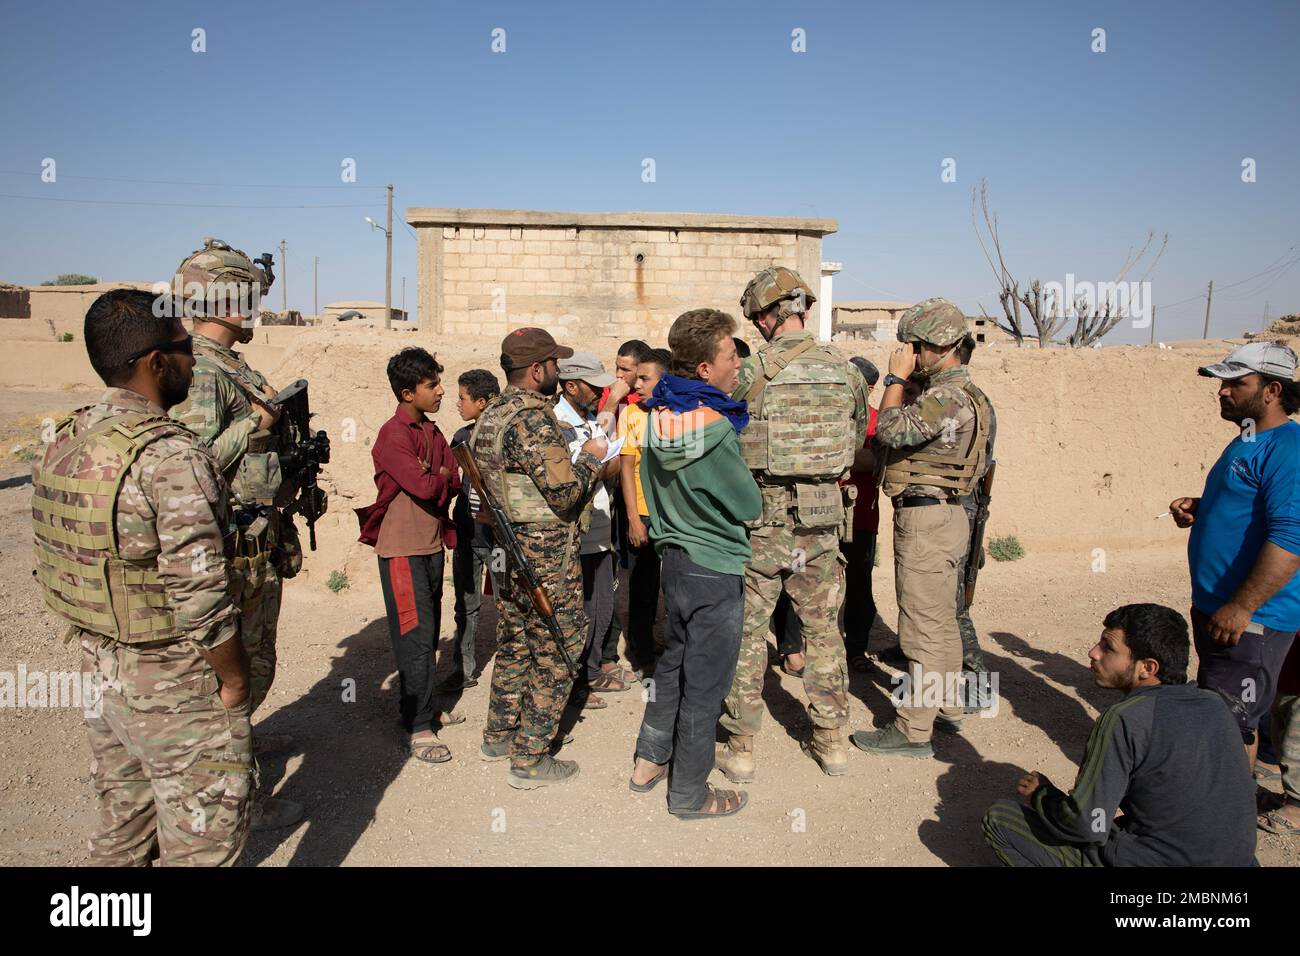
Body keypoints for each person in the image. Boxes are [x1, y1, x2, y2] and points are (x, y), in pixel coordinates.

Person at [32, 288, 251, 865]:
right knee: (200, 843)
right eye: (184, 347)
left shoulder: (63, 438)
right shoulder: (172, 458)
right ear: (156, 362)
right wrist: (233, 682)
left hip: (100, 667)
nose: (192, 359)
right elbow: (200, 598)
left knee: (122, 830)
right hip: (173, 679)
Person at [168, 237, 311, 829]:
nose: (254, 310)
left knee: (254, 670)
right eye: (248, 298)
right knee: (229, 681)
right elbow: (191, 462)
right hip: (227, 555)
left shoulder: (230, 365)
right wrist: (259, 419)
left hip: (255, 545)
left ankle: (238, 751)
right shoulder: (203, 371)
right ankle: (232, 802)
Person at [717, 267, 870, 781]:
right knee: (824, 630)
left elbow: (720, 441)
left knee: (747, 632)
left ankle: (740, 748)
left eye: (756, 317)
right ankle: (831, 742)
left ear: (768, 314)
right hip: (821, 521)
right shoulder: (846, 371)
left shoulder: (748, 372)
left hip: (761, 521)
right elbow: (854, 445)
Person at [982, 604, 1257, 866]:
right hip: (1238, 861)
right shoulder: (1213, 703)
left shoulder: (1126, 718)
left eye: (1107, 647)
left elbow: (1087, 825)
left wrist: (1043, 795)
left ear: (1147, 668)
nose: (1093, 652)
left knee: (1002, 818)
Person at [629, 309, 762, 818]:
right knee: (705, 686)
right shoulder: (716, 429)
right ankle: (689, 794)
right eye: (730, 356)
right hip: (715, 566)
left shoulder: (659, 416)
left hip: (676, 564)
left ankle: (649, 760)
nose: (736, 366)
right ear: (705, 368)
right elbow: (747, 505)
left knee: (674, 664)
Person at [852, 299, 992, 759]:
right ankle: (946, 707)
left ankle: (913, 729)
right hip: (947, 516)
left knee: (921, 628)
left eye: (914, 345)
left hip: (927, 518)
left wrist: (893, 380)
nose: (909, 353)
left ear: (935, 345)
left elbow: (889, 431)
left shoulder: (945, 398)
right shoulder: (969, 394)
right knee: (942, 623)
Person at [473, 328, 606, 788]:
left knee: (515, 639)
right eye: (554, 364)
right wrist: (591, 458)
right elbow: (565, 492)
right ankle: (529, 755)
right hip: (543, 553)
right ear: (537, 370)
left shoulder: (492, 413)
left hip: (506, 552)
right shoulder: (531, 418)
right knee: (561, 643)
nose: (559, 370)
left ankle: (499, 733)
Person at [1170, 341, 1300, 769]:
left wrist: (1243, 606)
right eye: (1222, 382)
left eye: (1236, 383)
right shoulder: (1246, 440)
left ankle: (1223, 824)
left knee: (1230, 724)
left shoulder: (1288, 449)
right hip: (1218, 609)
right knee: (1223, 712)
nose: (1223, 391)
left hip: (1251, 620)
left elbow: (1291, 539)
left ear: (1272, 390)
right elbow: (1250, 510)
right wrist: (1202, 508)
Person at [356, 348, 461, 764]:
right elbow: (423, 485)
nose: (440, 391)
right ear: (406, 392)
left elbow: (452, 478)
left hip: (432, 544)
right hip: (402, 551)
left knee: (429, 631)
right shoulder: (392, 435)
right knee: (414, 636)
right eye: (431, 385)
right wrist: (437, 476)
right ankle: (419, 728)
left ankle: (419, 706)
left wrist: (438, 475)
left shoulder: (432, 432)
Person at [555, 352, 626, 706]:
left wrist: (604, 461)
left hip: (599, 528)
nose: (598, 392)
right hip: (577, 534)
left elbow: (603, 463)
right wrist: (602, 462)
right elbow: (573, 477)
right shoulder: (558, 423)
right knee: (578, 610)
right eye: (591, 387)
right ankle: (574, 681)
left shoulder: (585, 420)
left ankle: (592, 671)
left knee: (600, 604)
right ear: (570, 386)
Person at [445, 368, 501, 692]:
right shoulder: (461, 438)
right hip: (468, 533)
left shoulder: (502, 439)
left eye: (463, 398)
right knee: (466, 604)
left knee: (509, 604)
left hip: (497, 541)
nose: (457, 403)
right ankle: (462, 669)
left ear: (481, 402)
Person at [618, 347, 670, 674]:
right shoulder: (632, 414)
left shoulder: (681, 415)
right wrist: (635, 519)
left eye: (644, 379)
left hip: (674, 515)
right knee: (643, 586)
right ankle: (642, 651)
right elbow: (626, 469)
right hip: (644, 513)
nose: (636, 385)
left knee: (676, 585)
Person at [953, 337, 997, 680]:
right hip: (960, 506)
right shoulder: (976, 399)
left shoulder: (960, 401)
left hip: (958, 507)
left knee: (952, 600)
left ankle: (974, 674)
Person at [842, 356, 881, 673]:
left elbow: (873, 462)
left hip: (860, 520)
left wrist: (832, 453)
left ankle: (856, 648)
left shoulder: (877, 421)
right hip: (823, 516)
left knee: (858, 586)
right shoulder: (834, 413)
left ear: (867, 388)